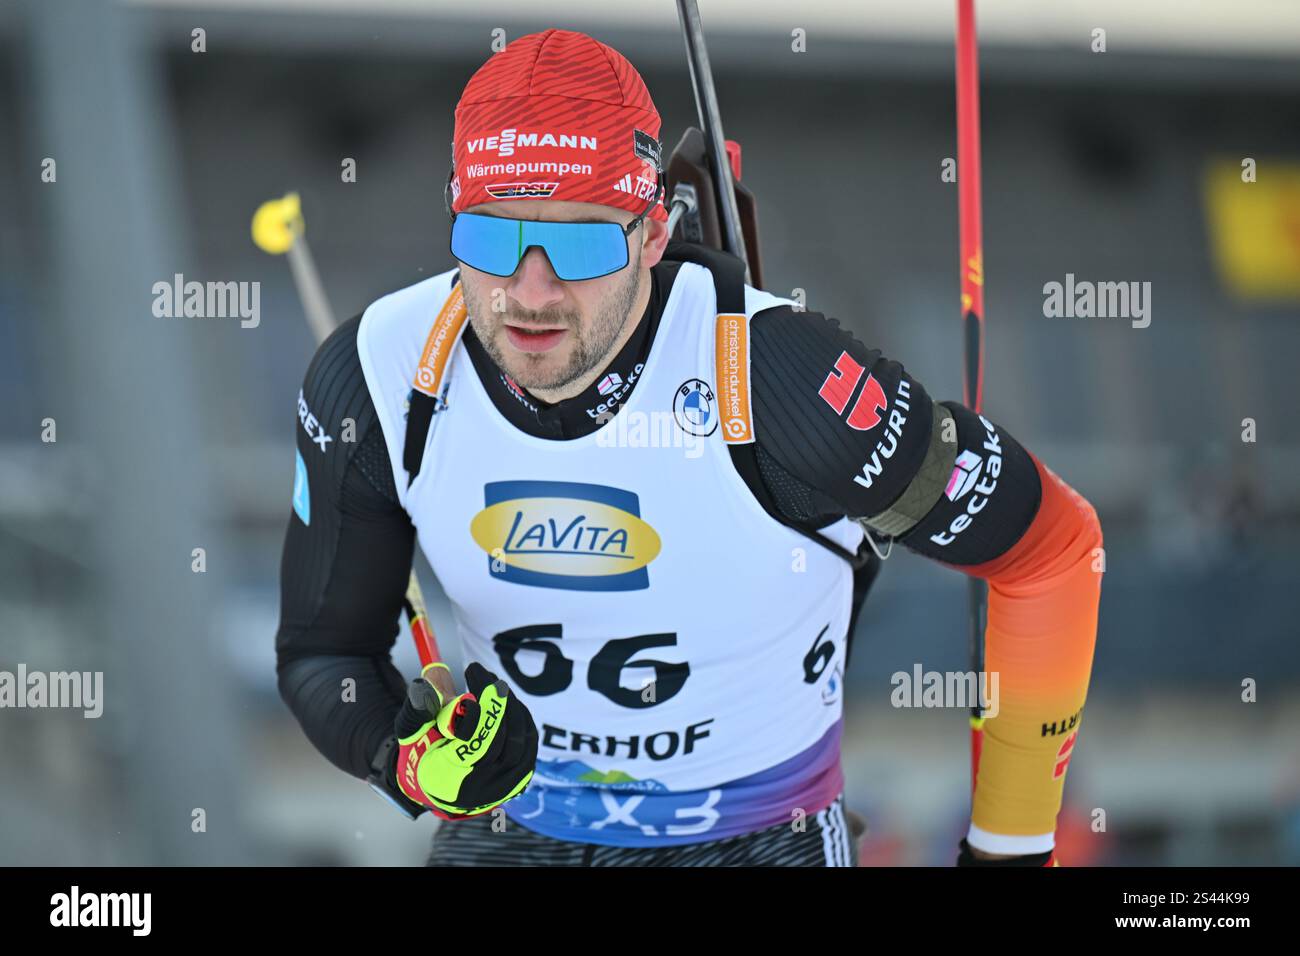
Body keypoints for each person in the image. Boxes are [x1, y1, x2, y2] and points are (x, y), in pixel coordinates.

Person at [276, 28, 1102, 867]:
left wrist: (1010, 850)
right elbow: (324, 653)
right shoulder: (379, 373)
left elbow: (1053, 553)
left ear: (654, 234)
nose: (530, 293)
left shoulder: (774, 376)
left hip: (755, 835)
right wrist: (409, 762)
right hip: (509, 832)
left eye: (580, 242)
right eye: (492, 236)